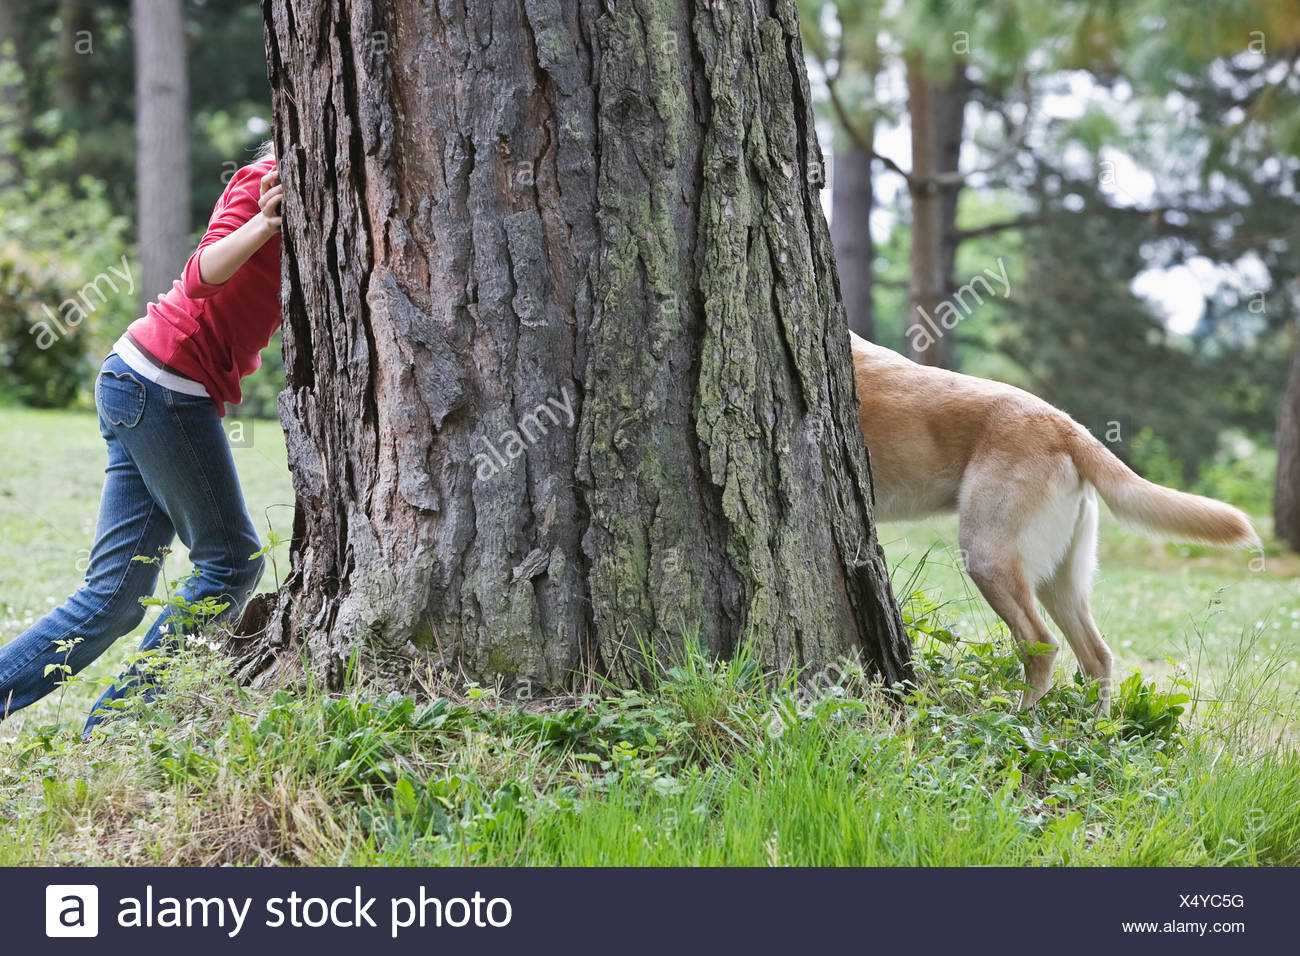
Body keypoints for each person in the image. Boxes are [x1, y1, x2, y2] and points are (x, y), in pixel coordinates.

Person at [0, 142, 284, 736]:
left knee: (114, 597)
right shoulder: (266, 178)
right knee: (230, 563)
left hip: (143, 382)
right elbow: (200, 275)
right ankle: (120, 728)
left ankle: (110, 733)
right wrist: (264, 223)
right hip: (163, 383)